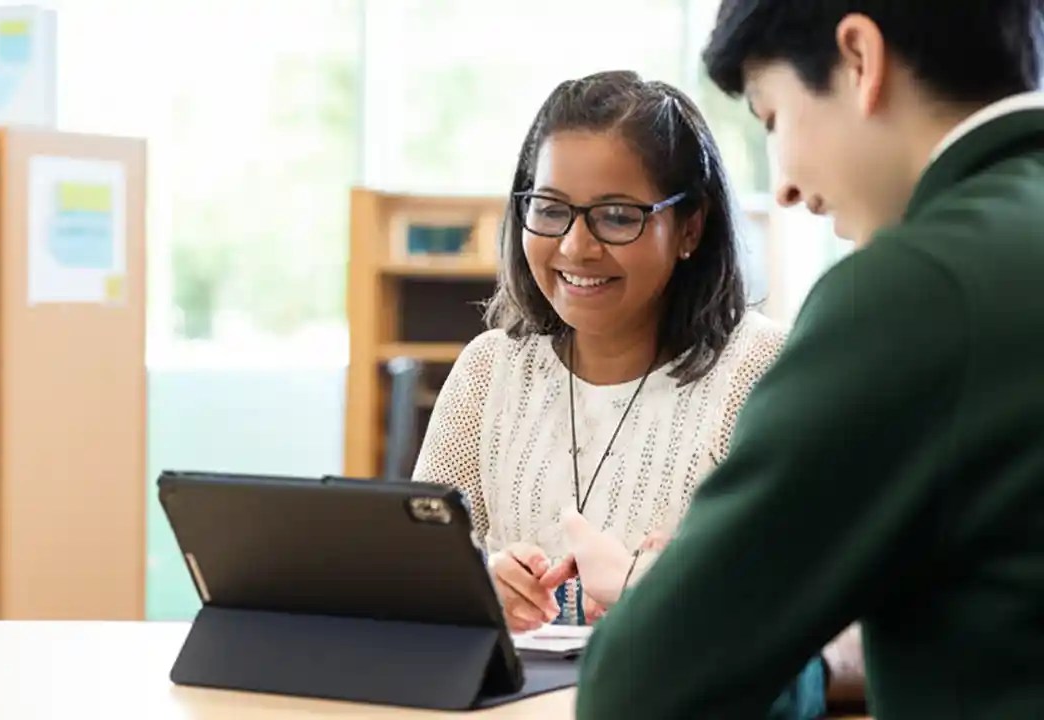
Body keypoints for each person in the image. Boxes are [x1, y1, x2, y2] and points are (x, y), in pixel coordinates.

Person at [574, 2, 1044, 719]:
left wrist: (683, 587)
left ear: (860, 58)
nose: (786, 185)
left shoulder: (911, 295)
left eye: (772, 118)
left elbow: (640, 687)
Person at [410, 70, 854, 718]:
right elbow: (418, 574)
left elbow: (816, 608)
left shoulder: (761, 371)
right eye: (550, 208)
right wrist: (480, 586)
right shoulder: (490, 369)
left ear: (691, 228)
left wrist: (663, 593)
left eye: (617, 216)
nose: (574, 246)